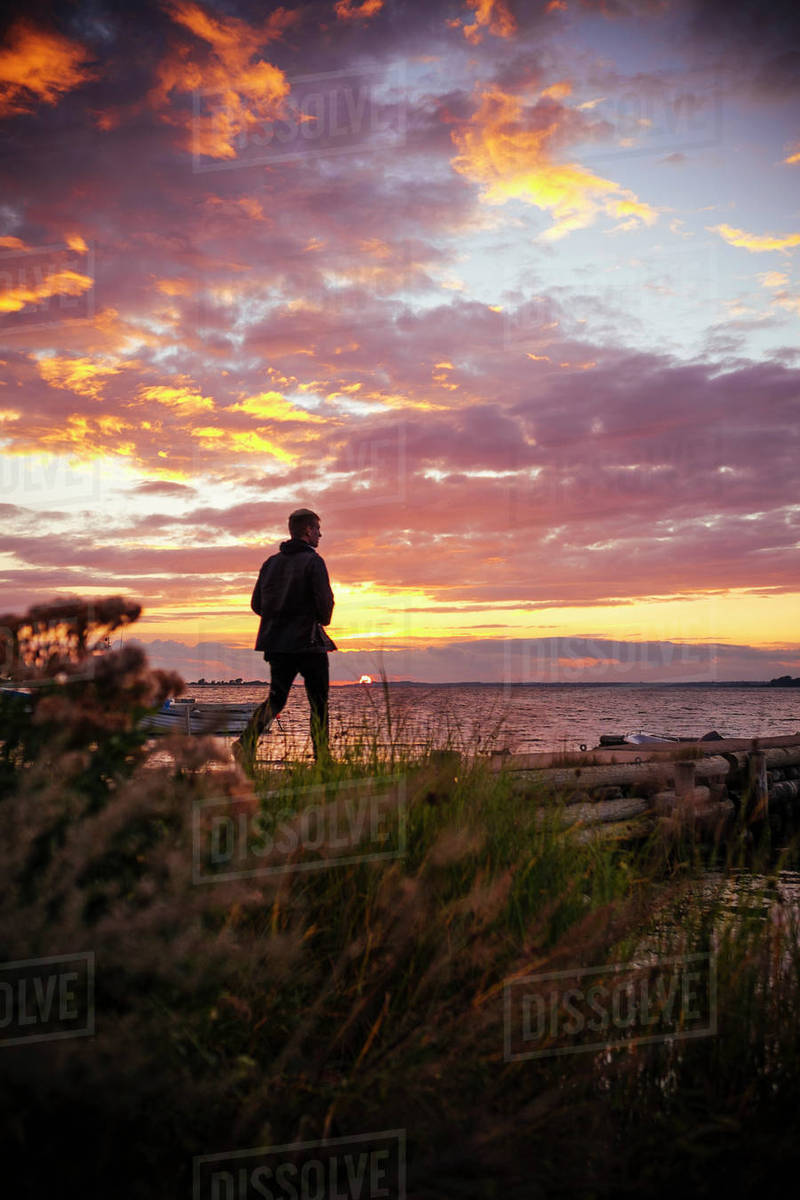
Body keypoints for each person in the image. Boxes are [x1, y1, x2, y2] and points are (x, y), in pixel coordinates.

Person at [232, 508, 336, 769]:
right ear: (307, 530)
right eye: (317, 529)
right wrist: (320, 618)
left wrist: (277, 619)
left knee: (277, 698)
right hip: (309, 644)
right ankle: (323, 759)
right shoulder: (314, 562)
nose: (320, 535)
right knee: (318, 702)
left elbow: (257, 605)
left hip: (277, 644)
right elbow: (325, 604)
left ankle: (246, 742)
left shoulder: (270, 563)